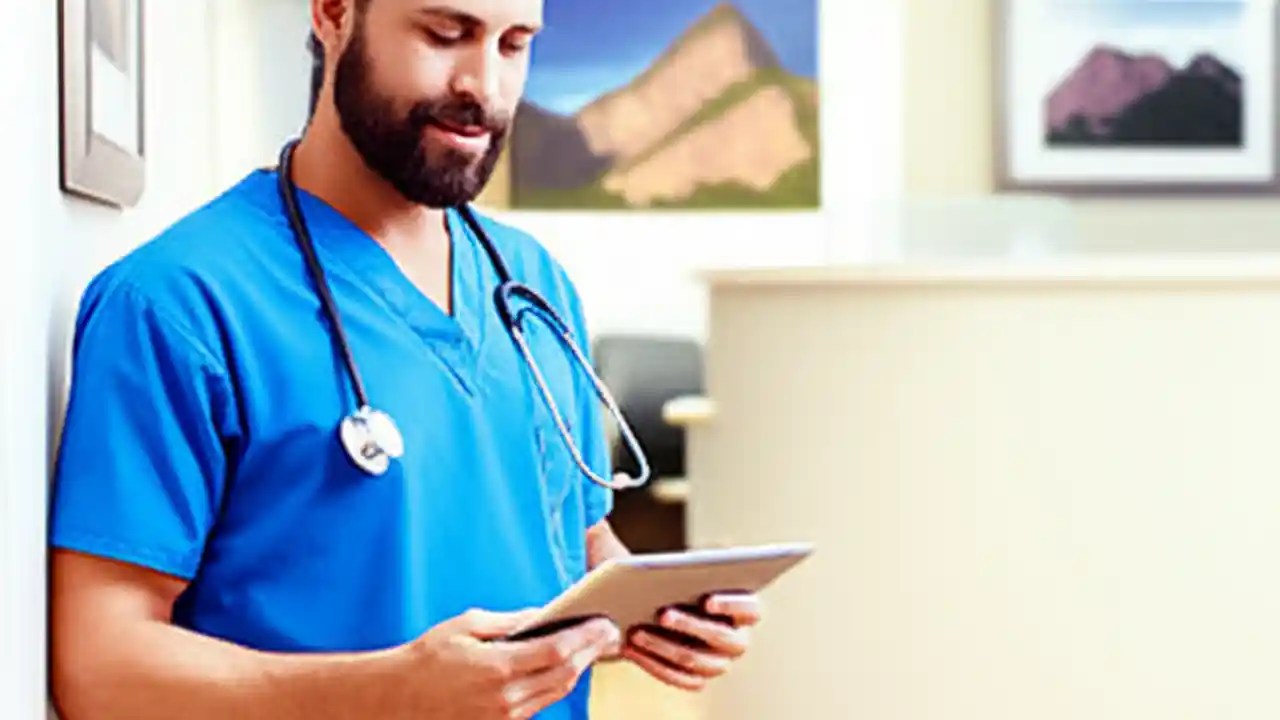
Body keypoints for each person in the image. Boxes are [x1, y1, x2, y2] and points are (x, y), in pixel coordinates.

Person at [48, 1, 764, 718]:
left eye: (515, 45)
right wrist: (390, 693)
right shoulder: (179, 303)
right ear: (333, 13)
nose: (484, 85)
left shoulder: (531, 283)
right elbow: (101, 668)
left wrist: (650, 609)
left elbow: (573, 538)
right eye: (444, 34)